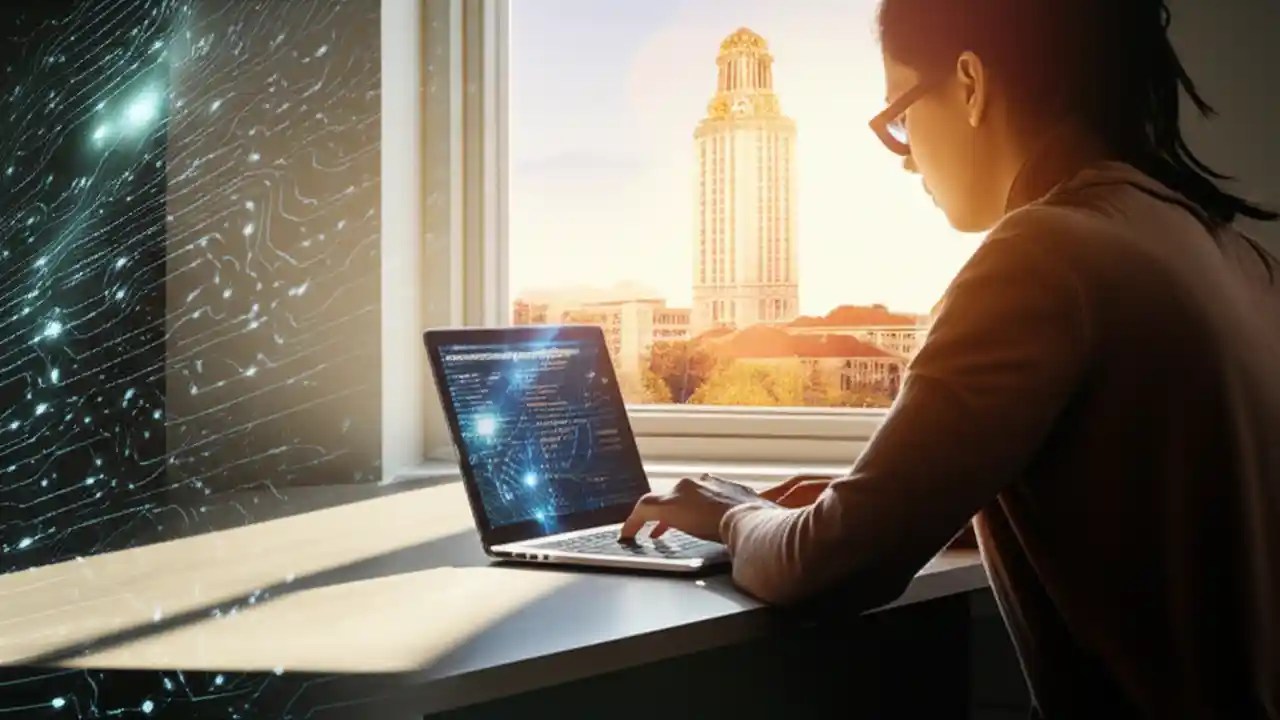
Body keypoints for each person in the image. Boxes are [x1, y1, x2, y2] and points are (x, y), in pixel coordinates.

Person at [619, 1, 1280, 717]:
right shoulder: (1230, 252)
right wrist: (894, 498)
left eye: (899, 115)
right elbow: (1159, 511)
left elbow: (829, 568)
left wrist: (731, 517)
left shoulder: (1045, 256)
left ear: (969, 84)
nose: (904, 157)